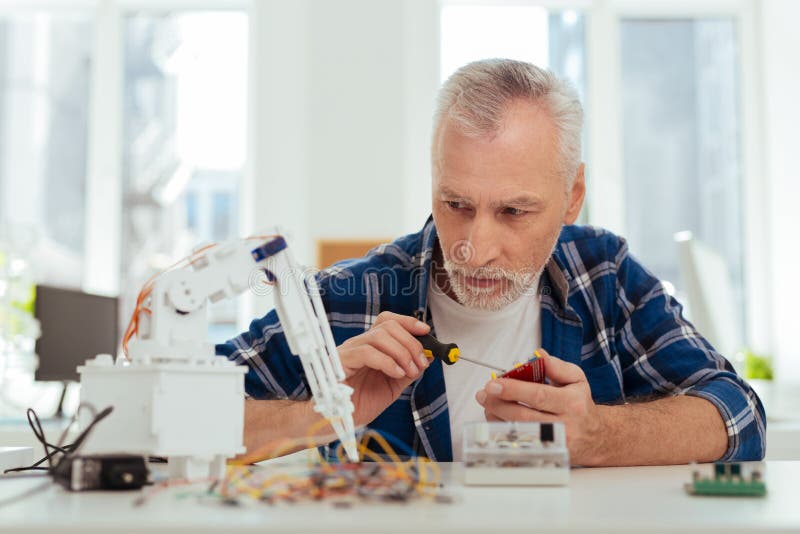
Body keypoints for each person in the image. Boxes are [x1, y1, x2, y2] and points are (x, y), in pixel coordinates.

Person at [216, 59, 765, 465]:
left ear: (572, 196)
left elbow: (739, 414)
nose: (474, 250)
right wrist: (320, 412)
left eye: (514, 211)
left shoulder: (605, 276)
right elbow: (176, 417)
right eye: (456, 205)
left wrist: (598, 435)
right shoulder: (347, 299)